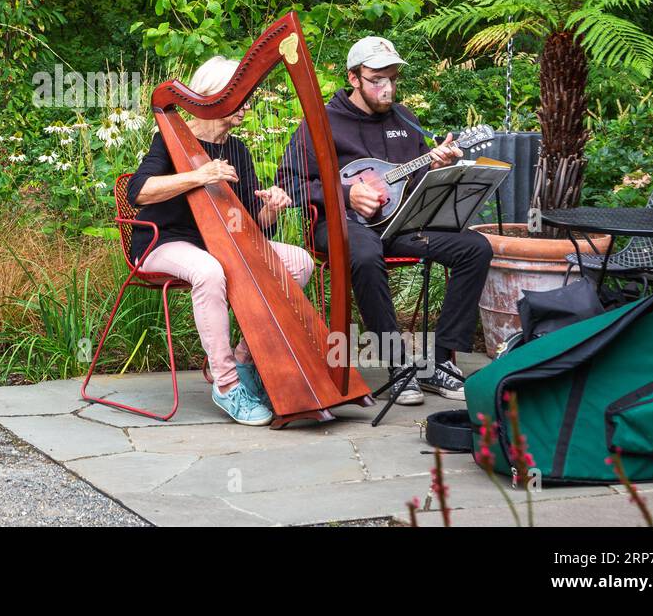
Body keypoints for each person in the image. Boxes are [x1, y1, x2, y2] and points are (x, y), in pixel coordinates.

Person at [275, 36, 492, 405]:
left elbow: (418, 182)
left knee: (477, 248)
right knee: (363, 255)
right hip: (343, 225)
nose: (387, 88)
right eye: (377, 79)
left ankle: (438, 362)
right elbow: (288, 182)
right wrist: (346, 195)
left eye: (392, 78)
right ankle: (398, 368)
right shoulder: (322, 122)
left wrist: (440, 166)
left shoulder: (406, 119)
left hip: (400, 224)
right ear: (354, 77)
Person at [128, 56, 315, 427]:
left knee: (299, 262)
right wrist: (198, 175)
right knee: (209, 272)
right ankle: (227, 385)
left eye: (246, 97)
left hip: (223, 245)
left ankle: (245, 360)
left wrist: (272, 209)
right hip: (162, 243)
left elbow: (252, 227)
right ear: (212, 97)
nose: (247, 105)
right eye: (238, 97)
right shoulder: (168, 139)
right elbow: (140, 191)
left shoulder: (238, 150)